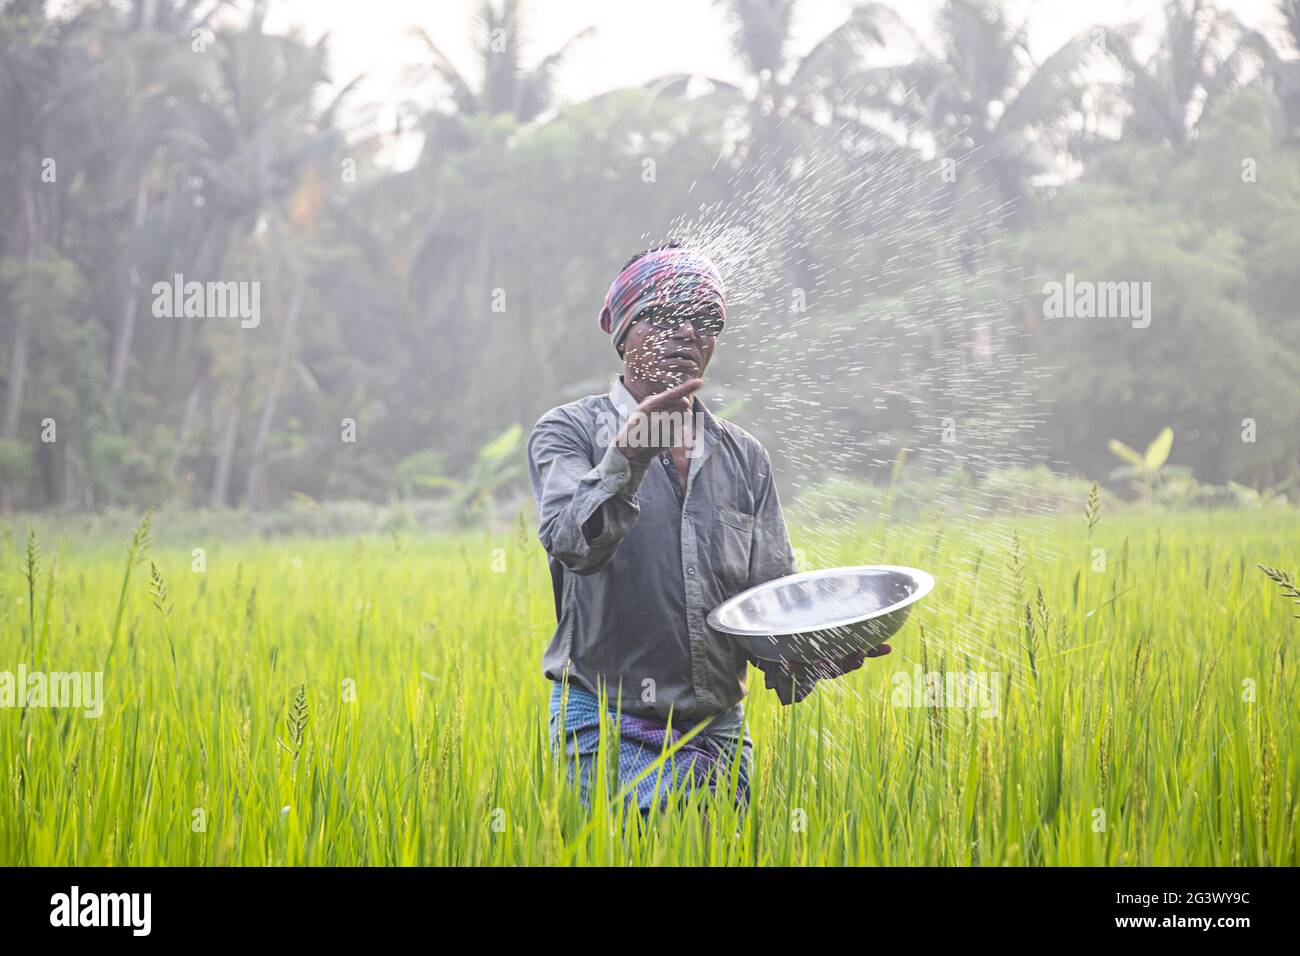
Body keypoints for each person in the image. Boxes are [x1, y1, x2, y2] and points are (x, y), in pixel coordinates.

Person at [526, 239, 890, 812]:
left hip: (717, 729)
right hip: (609, 720)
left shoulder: (742, 455)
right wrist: (632, 452)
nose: (687, 333)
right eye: (664, 316)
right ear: (623, 332)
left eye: (704, 322)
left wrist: (807, 652)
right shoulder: (570, 433)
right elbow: (574, 544)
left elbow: (767, 598)